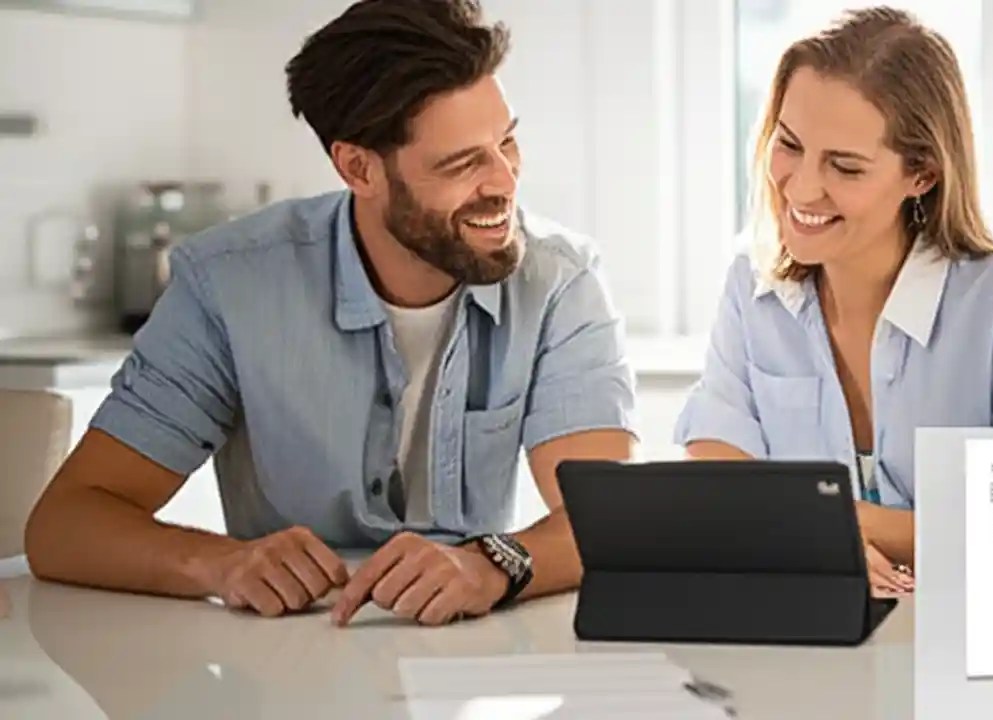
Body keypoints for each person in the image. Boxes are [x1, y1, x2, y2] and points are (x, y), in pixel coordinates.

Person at [25, 0, 636, 628]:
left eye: (506, 142)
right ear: (358, 168)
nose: (504, 181)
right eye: (460, 163)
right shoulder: (229, 285)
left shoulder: (563, 281)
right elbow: (66, 525)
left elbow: (608, 523)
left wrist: (492, 563)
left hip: (468, 655)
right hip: (285, 654)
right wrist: (221, 564)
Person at [673, 8, 993, 717]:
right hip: (851, 683)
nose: (800, 187)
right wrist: (871, 534)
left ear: (923, 175)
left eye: (844, 166)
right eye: (789, 145)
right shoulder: (750, 291)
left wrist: (828, 528)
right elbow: (716, 492)